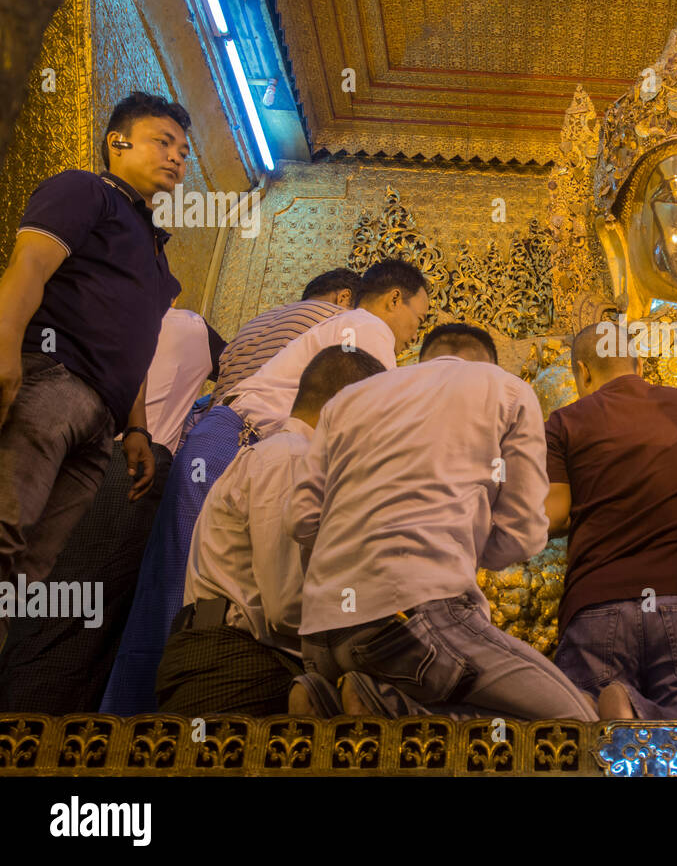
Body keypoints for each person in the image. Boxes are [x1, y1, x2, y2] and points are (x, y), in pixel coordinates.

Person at [99, 259, 428, 714]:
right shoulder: (370, 330)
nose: (415, 332)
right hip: (237, 437)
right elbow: (379, 416)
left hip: (228, 434)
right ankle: (138, 725)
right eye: (419, 317)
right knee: (177, 593)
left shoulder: (335, 324)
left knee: (181, 584)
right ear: (396, 299)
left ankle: (132, 721)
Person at [291, 324, 597, 722]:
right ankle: (387, 706)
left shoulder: (347, 400)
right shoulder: (505, 388)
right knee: (576, 725)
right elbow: (523, 533)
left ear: (421, 360)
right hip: (413, 621)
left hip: (321, 635)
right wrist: (464, 546)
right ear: (488, 361)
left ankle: (328, 700)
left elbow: (300, 519)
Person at [0, 92, 186, 607]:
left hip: (100, 425)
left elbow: (138, 344)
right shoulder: (86, 191)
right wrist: (5, 348)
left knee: (25, 576)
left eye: (185, 151)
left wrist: (138, 427)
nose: (177, 156)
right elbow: (29, 265)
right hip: (51, 380)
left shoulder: (157, 260)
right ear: (117, 142)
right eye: (163, 141)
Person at [0, 303, 221, 710]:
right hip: (134, 469)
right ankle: (42, 731)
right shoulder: (190, 326)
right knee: (87, 616)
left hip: (74, 460)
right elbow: (238, 368)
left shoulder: (90, 318)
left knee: (41, 602)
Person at [155, 347, 386, 716]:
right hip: (235, 662)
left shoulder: (288, 456)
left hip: (248, 655)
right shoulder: (292, 458)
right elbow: (288, 606)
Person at [544, 321, 677, 721]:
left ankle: (623, 706)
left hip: (598, 600)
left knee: (595, 745)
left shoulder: (564, 422)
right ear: (638, 364)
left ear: (582, 371)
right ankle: (640, 712)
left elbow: (556, 516)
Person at [208, 267, 361, 406]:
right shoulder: (340, 319)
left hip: (215, 423)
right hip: (265, 429)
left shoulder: (257, 321)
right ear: (344, 297)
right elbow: (351, 385)